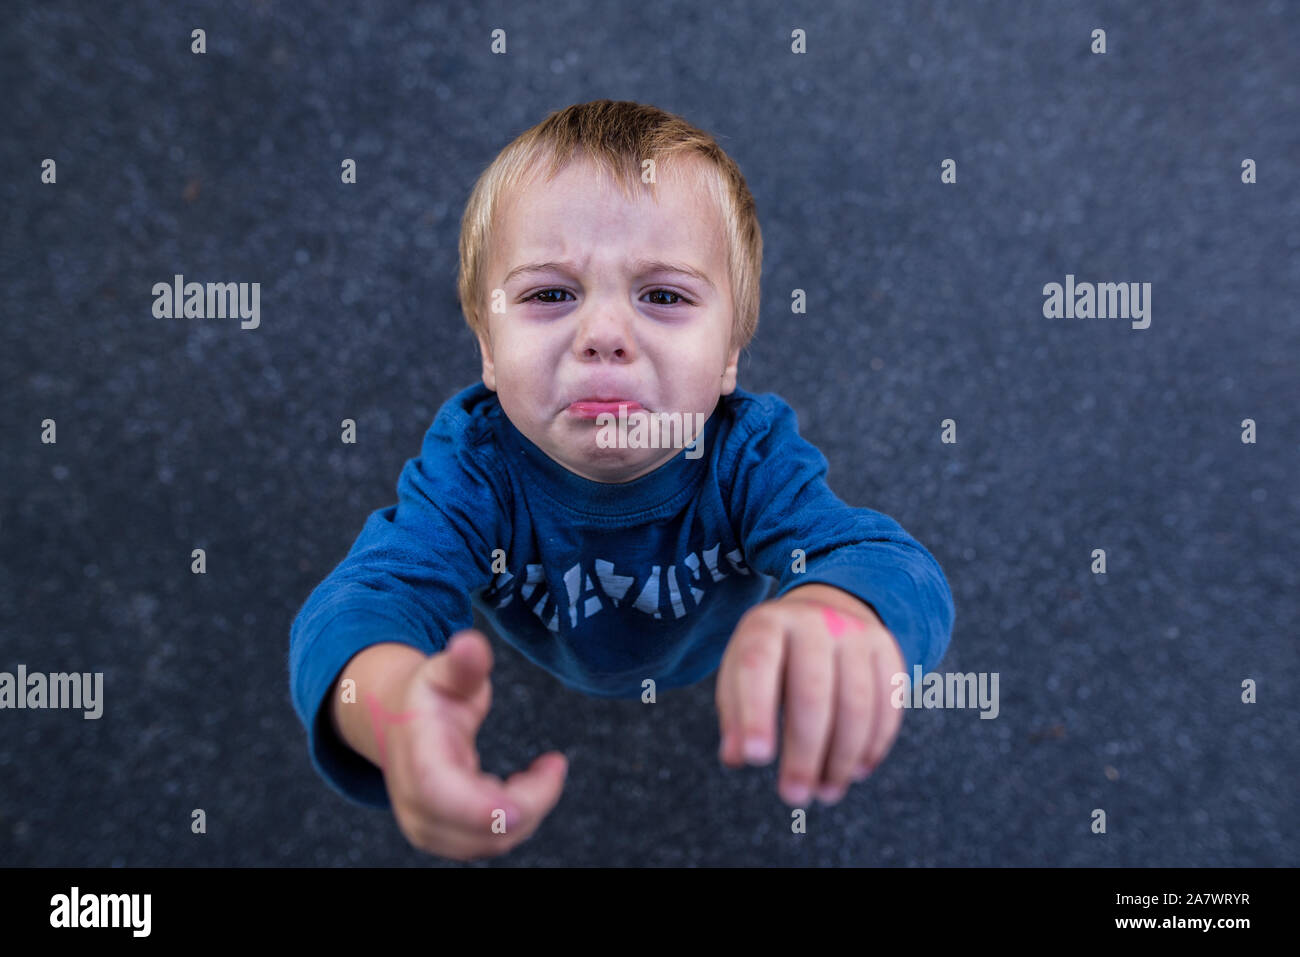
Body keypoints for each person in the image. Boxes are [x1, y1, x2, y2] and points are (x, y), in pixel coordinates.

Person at [288, 99, 955, 860]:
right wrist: (395, 708)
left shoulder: (746, 454)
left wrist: (843, 613)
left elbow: (889, 560)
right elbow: (368, 596)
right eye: (549, 294)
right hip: (554, 649)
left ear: (732, 352)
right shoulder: (474, 466)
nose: (604, 335)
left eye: (663, 296)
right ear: (488, 350)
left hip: (709, 653)